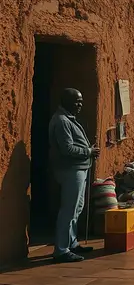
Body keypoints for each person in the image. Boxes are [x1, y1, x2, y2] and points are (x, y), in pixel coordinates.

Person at [48, 88, 99, 263]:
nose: (80, 105)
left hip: (79, 168)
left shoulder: (69, 119)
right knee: (68, 210)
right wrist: (88, 151)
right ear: (66, 101)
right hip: (70, 170)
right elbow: (67, 148)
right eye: (77, 101)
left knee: (77, 208)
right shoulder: (62, 121)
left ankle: (71, 242)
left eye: (81, 102)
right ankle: (61, 250)